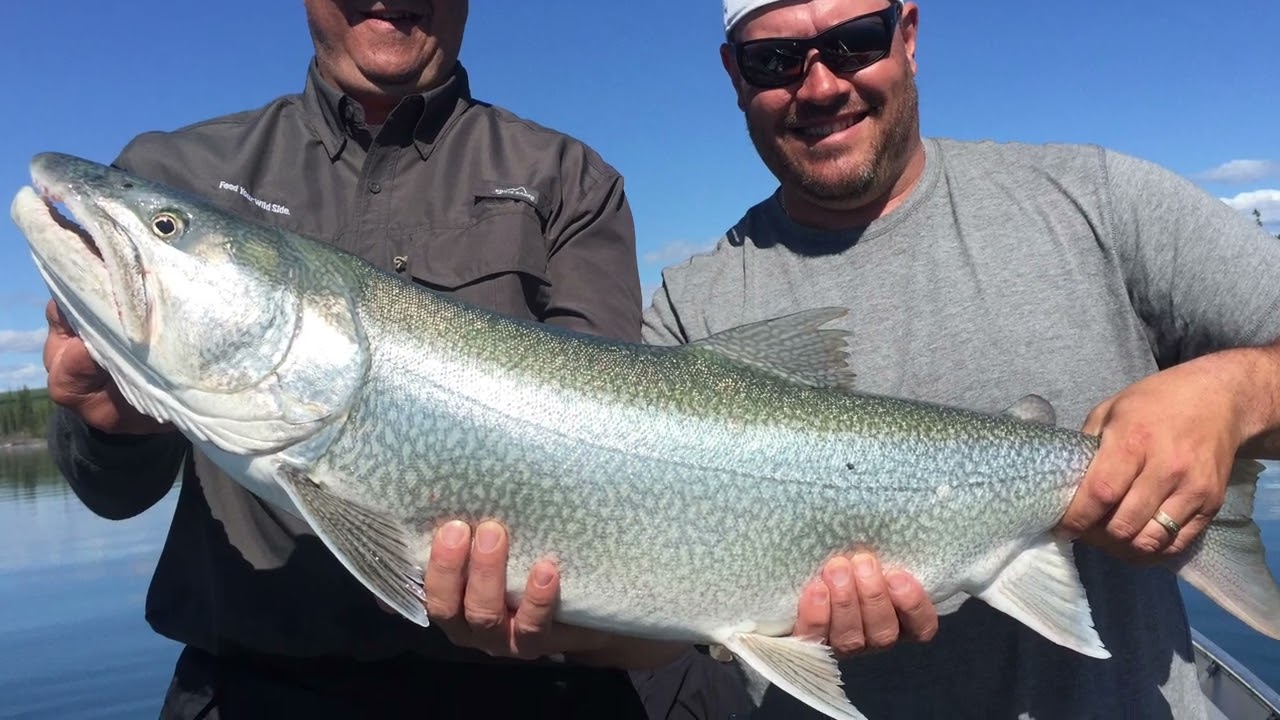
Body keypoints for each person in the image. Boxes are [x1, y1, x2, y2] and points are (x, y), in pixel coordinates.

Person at [640, 0, 1280, 718]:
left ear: (907, 35)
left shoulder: (1093, 200)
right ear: (734, 74)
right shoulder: (685, 310)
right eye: (775, 61)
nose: (820, 86)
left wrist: (1237, 396)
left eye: (853, 43)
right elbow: (639, 626)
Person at [42, 1, 683, 717]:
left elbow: (624, 470)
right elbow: (113, 496)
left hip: (526, 690)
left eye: (166, 231)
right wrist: (108, 426)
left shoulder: (570, 180)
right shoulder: (181, 170)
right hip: (249, 690)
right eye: (166, 230)